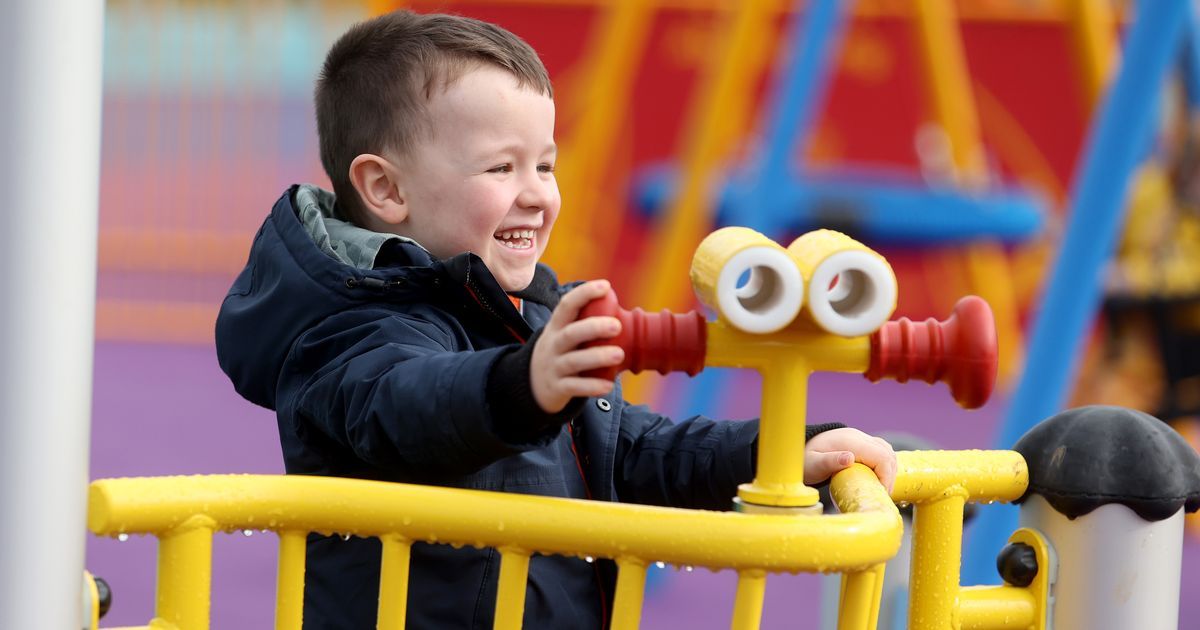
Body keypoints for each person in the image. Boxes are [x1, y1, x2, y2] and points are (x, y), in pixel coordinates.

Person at [215, 9, 897, 629]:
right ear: (387, 189)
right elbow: (405, 405)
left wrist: (778, 450)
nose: (539, 194)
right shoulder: (350, 329)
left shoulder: (525, 315)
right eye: (502, 167)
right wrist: (521, 385)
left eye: (545, 164)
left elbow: (632, 450)